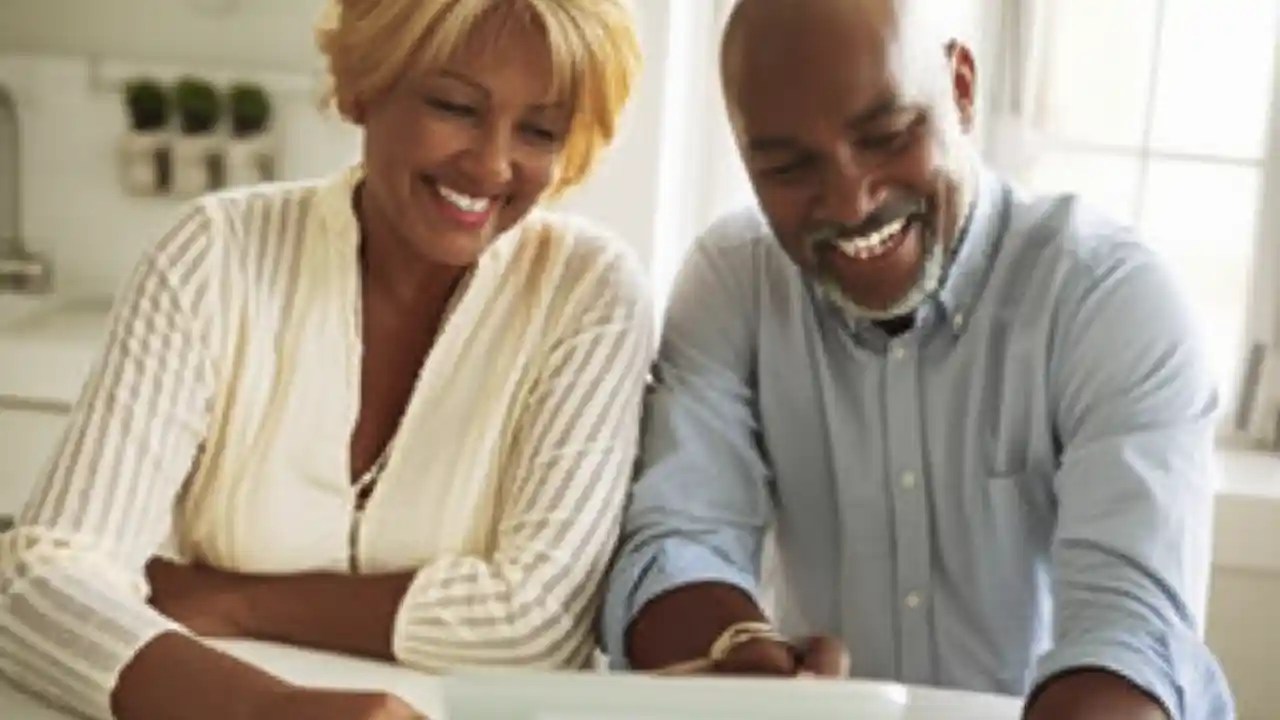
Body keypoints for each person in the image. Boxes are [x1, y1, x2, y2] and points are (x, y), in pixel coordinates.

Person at [0, 1, 649, 719]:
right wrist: (269, 711)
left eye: (539, 130)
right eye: (455, 107)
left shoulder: (588, 291)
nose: (494, 163)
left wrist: (230, 600)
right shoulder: (217, 254)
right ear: (363, 88)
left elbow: (538, 624)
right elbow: (37, 581)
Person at [602, 0, 1233, 718]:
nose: (849, 200)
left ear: (961, 87)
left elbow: (1131, 634)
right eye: (786, 166)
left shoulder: (1106, 296)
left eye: (888, 136)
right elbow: (678, 541)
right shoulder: (732, 281)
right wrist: (732, 656)